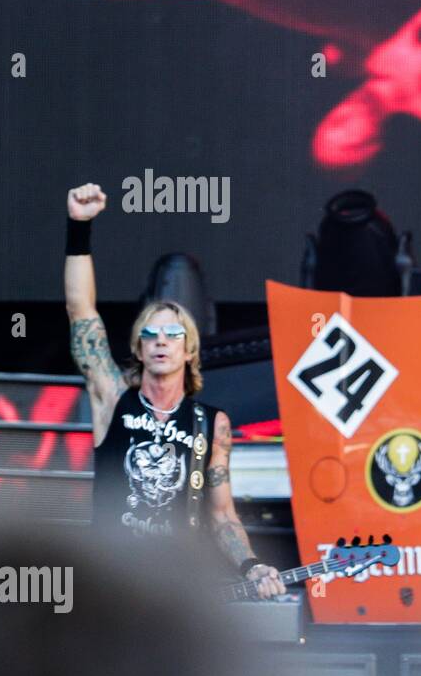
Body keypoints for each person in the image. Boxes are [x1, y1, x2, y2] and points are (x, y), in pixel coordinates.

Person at [63, 183, 284, 597]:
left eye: (172, 333)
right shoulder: (114, 399)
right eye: (151, 333)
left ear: (189, 349)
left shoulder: (210, 424)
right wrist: (79, 227)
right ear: (139, 348)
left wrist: (252, 565)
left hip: (178, 590)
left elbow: (221, 517)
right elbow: (81, 311)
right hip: (112, 584)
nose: (161, 340)